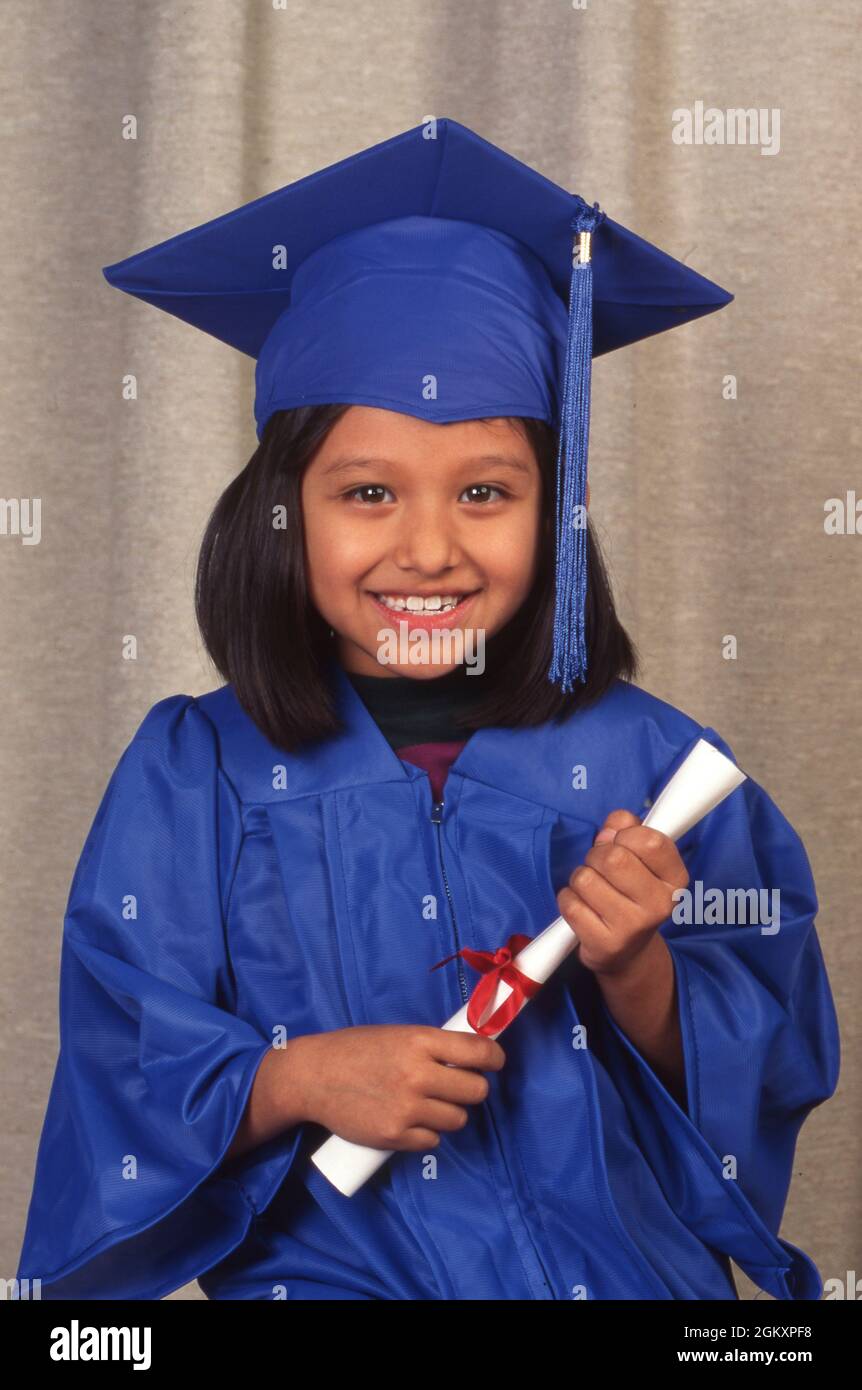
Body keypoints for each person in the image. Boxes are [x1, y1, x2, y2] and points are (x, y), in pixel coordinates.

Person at [16, 118, 839, 1300]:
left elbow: (774, 1061)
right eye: (366, 491)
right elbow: (119, 1058)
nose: (431, 549)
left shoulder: (653, 768)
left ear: (555, 511)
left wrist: (637, 969)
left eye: (487, 491)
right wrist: (292, 1080)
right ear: (280, 513)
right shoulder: (194, 773)